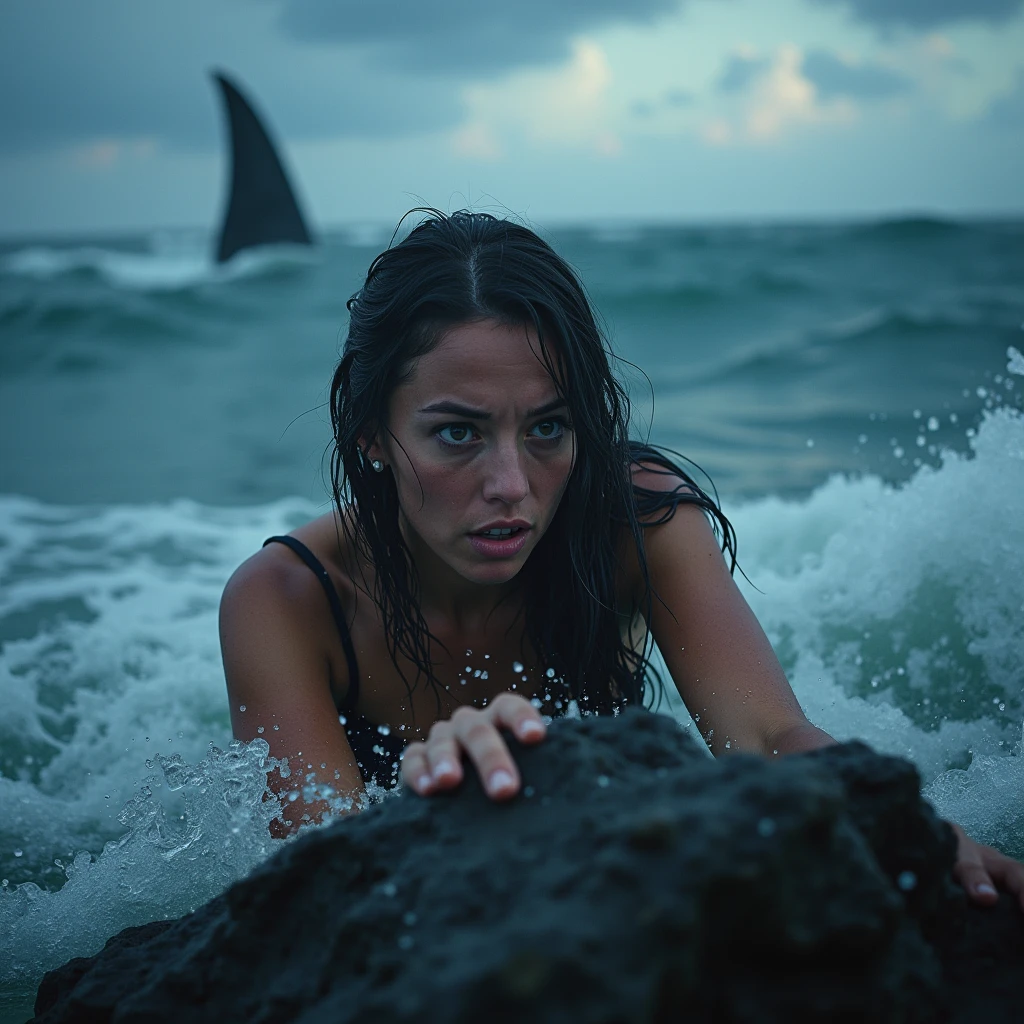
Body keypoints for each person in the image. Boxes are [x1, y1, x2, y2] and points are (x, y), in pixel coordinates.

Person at [220, 209, 1022, 909]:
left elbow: (771, 735)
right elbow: (323, 888)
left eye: (547, 428)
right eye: (457, 433)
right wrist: (425, 808)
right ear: (370, 435)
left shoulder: (630, 522)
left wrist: (905, 827)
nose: (511, 486)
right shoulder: (290, 600)